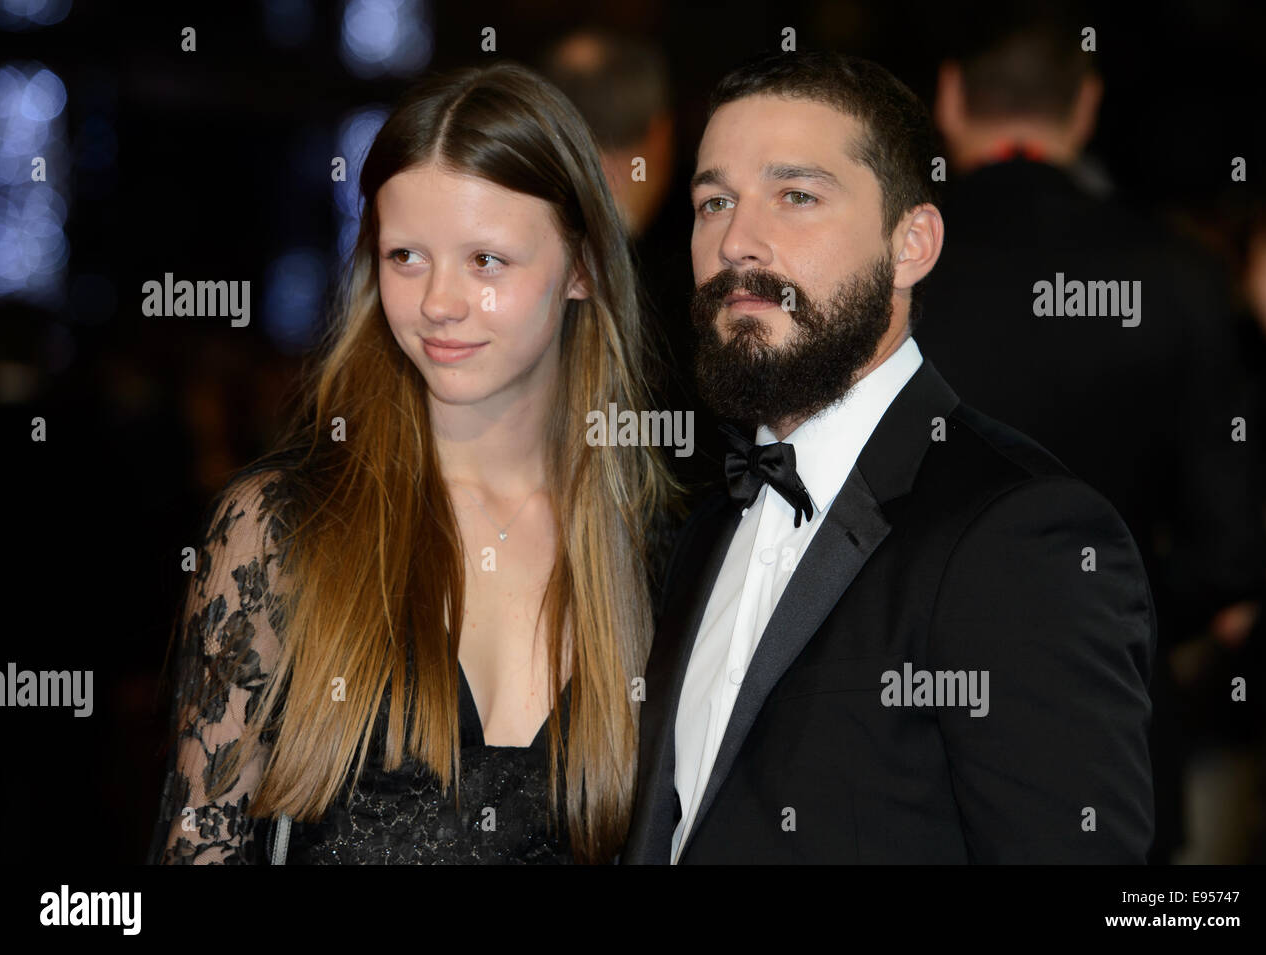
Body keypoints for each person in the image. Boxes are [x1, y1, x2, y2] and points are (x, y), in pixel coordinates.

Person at [623, 50, 1155, 864]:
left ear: (912, 244)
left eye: (795, 195)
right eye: (713, 201)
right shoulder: (704, 525)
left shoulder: (1019, 534)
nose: (737, 240)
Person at [148, 61, 680, 865]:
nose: (438, 301)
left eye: (485, 261)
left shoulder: (658, 556)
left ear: (583, 268)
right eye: (405, 256)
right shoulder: (283, 527)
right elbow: (194, 846)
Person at [918, 5, 1266, 862]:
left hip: (919, 745)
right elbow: (1232, 551)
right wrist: (1110, 615)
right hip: (1116, 745)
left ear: (951, 97)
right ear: (1087, 105)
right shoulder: (1180, 275)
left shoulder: (892, 274)